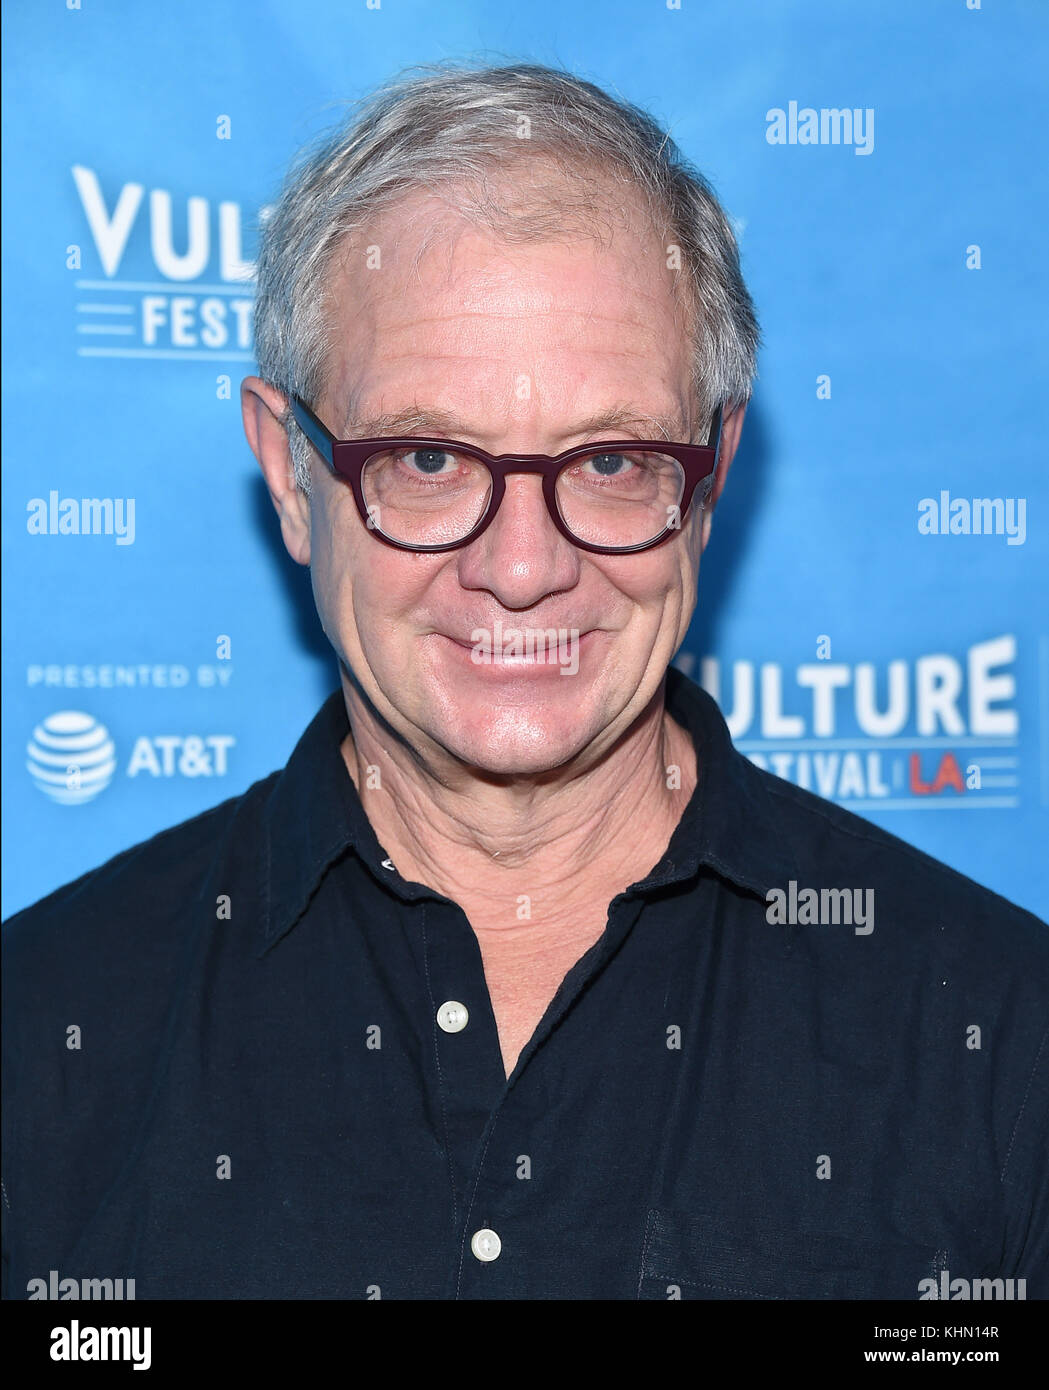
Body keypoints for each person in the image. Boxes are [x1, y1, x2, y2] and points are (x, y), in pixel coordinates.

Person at [3, 62, 1046, 1302]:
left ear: (706, 477)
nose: (520, 568)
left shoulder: (999, 1036)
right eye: (430, 457)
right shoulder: (43, 1035)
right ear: (291, 474)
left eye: (608, 460)